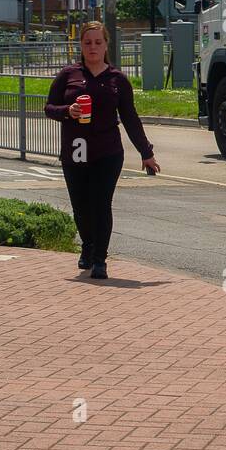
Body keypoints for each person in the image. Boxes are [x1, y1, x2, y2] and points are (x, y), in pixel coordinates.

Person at [45, 22, 160, 280]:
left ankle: (99, 260)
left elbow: (130, 118)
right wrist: (67, 111)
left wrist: (146, 152)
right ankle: (87, 244)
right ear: (81, 46)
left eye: (98, 42)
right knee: (80, 205)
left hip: (107, 153)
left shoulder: (117, 79)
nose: (93, 47)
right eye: (88, 43)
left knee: (101, 203)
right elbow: (49, 107)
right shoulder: (68, 75)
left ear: (106, 45)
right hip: (75, 152)